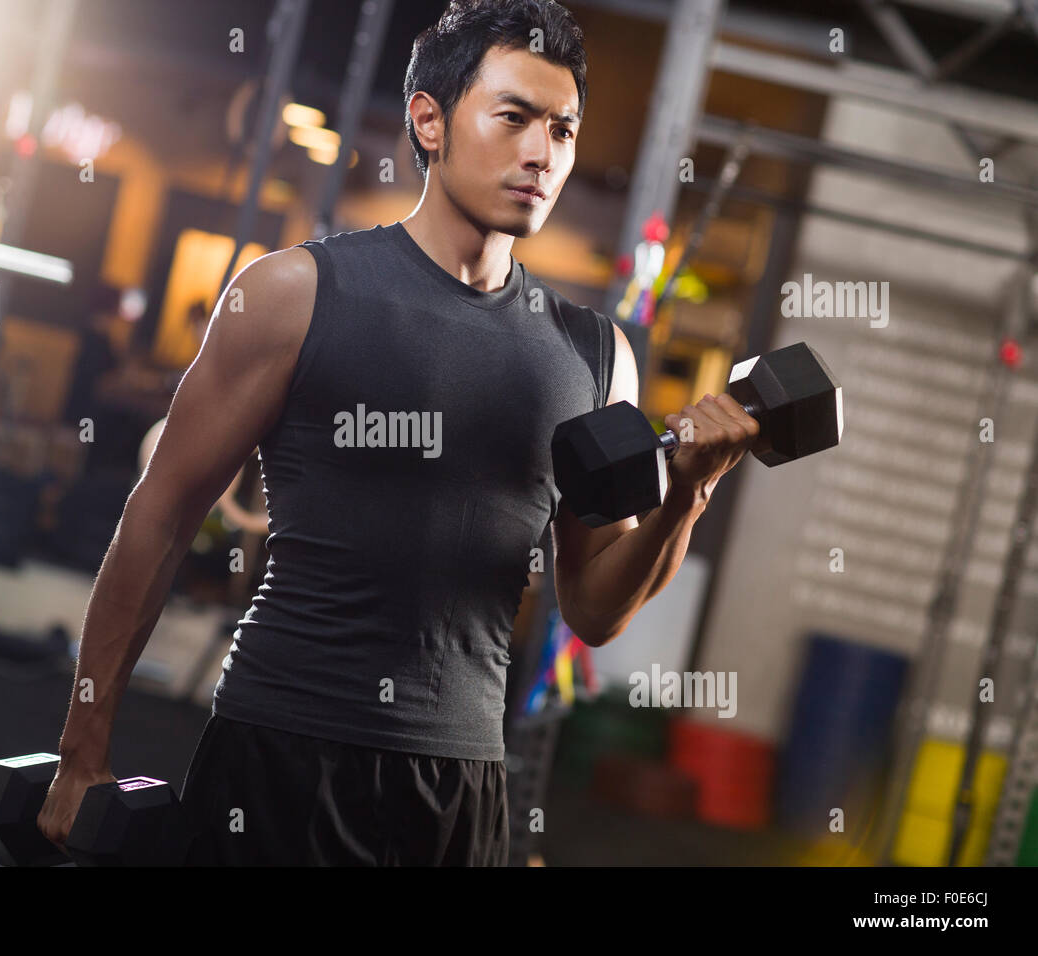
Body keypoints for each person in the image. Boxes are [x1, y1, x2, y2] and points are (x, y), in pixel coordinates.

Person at [38, 0, 760, 866]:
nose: (543, 152)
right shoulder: (292, 296)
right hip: (279, 760)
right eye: (515, 118)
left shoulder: (597, 358)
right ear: (429, 120)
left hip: (460, 793)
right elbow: (157, 518)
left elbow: (595, 610)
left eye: (564, 131)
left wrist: (690, 491)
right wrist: (84, 751)